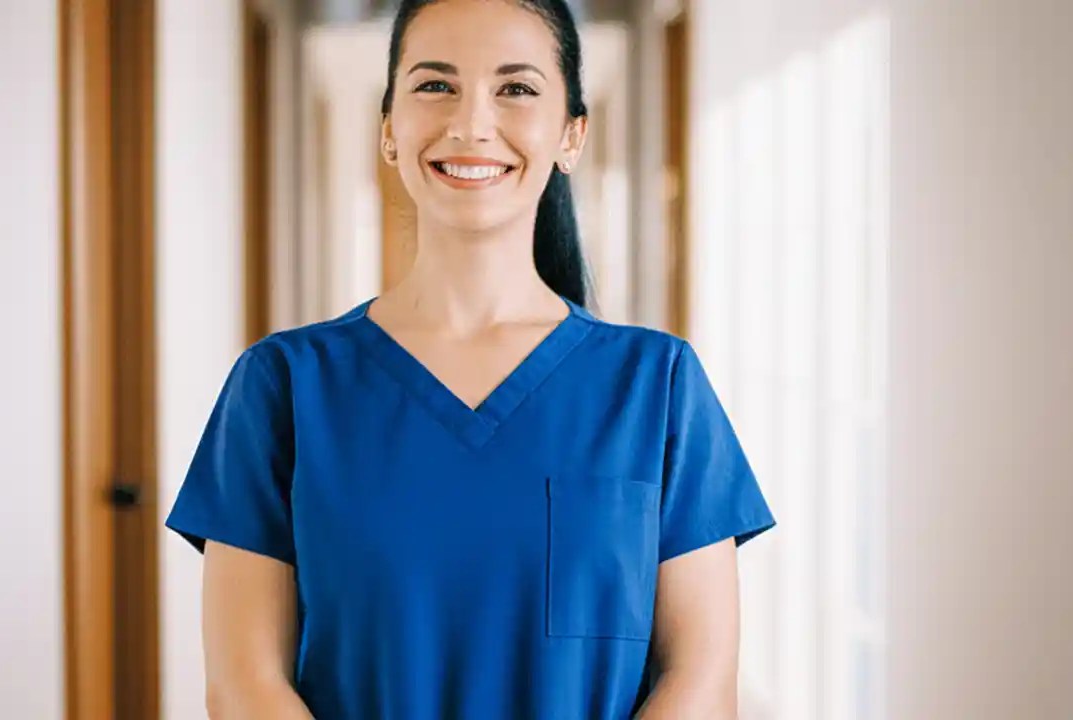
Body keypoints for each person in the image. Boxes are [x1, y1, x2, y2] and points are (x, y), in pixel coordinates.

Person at [164, 0, 776, 717]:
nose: (471, 123)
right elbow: (245, 686)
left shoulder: (658, 387)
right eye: (435, 85)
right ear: (389, 129)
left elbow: (699, 682)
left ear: (571, 134)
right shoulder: (283, 386)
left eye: (515, 88)